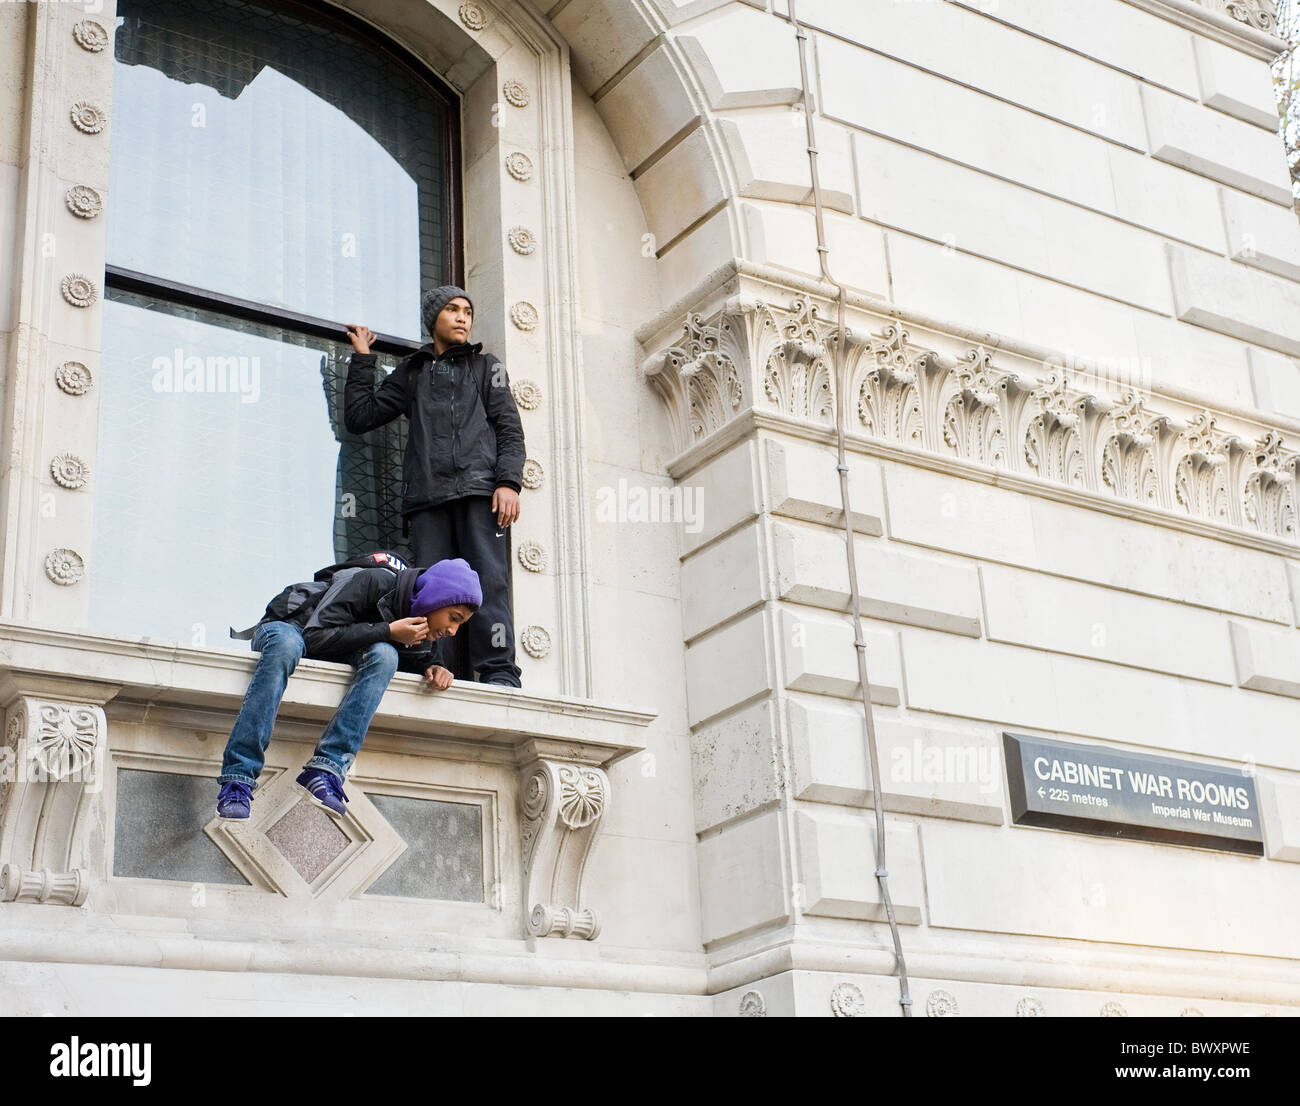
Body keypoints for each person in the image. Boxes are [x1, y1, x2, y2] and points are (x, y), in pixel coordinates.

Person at [343, 286, 525, 688]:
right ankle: (431, 664)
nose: (462, 317)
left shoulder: (485, 367)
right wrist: (362, 360)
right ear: (433, 319)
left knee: (488, 581)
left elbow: (510, 430)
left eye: (467, 311)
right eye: (452, 309)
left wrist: (508, 482)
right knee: (428, 588)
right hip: (427, 499)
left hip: (481, 494)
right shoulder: (414, 371)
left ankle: (498, 672)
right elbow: (361, 416)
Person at [215, 557, 483, 820]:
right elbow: (313, 636)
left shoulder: (419, 626)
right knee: (287, 647)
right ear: (434, 599)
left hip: (337, 645)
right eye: (454, 617)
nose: (453, 630)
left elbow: (423, 656)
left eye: (461, 624)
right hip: (290, 626)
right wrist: (388, 631)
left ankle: (325, 770)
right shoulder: (375, 581)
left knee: (386, 656)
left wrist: (435, 666)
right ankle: (238, 777)